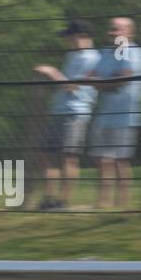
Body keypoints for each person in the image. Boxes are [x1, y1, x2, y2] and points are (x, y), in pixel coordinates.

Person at [33, 20, 101, 210]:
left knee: (68, 157)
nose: (67, 41)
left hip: (76, 112)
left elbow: (73, 86)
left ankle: (62, 201)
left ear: (78, 36)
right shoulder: (73, 56)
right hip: (60, 110)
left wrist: (52, 72)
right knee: (46, 153)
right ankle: (48, 198)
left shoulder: (92, 59)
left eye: (68, 37)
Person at [84, 17, 141, 208]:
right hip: (104, 114)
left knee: (120, 160)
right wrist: (108, 82)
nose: (111, 33)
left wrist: (104, 83)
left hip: (125, 115)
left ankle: (122, 204)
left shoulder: (133, 52)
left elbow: (125, 78)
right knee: (102, 160)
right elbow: (90, 77)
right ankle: (103, 203)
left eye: (116, 29)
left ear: (129, 32)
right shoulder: (105, 53)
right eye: (111, 29)